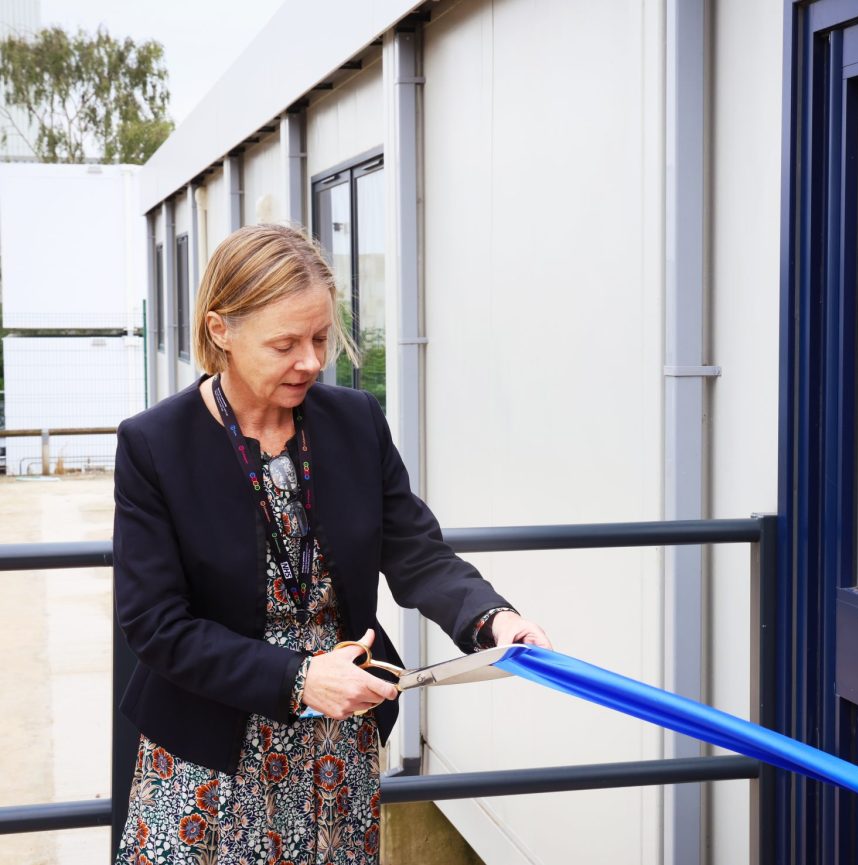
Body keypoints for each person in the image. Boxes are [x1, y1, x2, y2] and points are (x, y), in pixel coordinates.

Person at [113, 223, 550, 864]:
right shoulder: (153, 444)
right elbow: (154, 625)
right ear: (220, 330)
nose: (312, 362)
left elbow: (416, 552)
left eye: (320, 338)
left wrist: (492, 619)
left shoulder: (356, 421)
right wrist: (299, 678)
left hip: (337, 745)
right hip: (209, 751)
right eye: (285, 343)